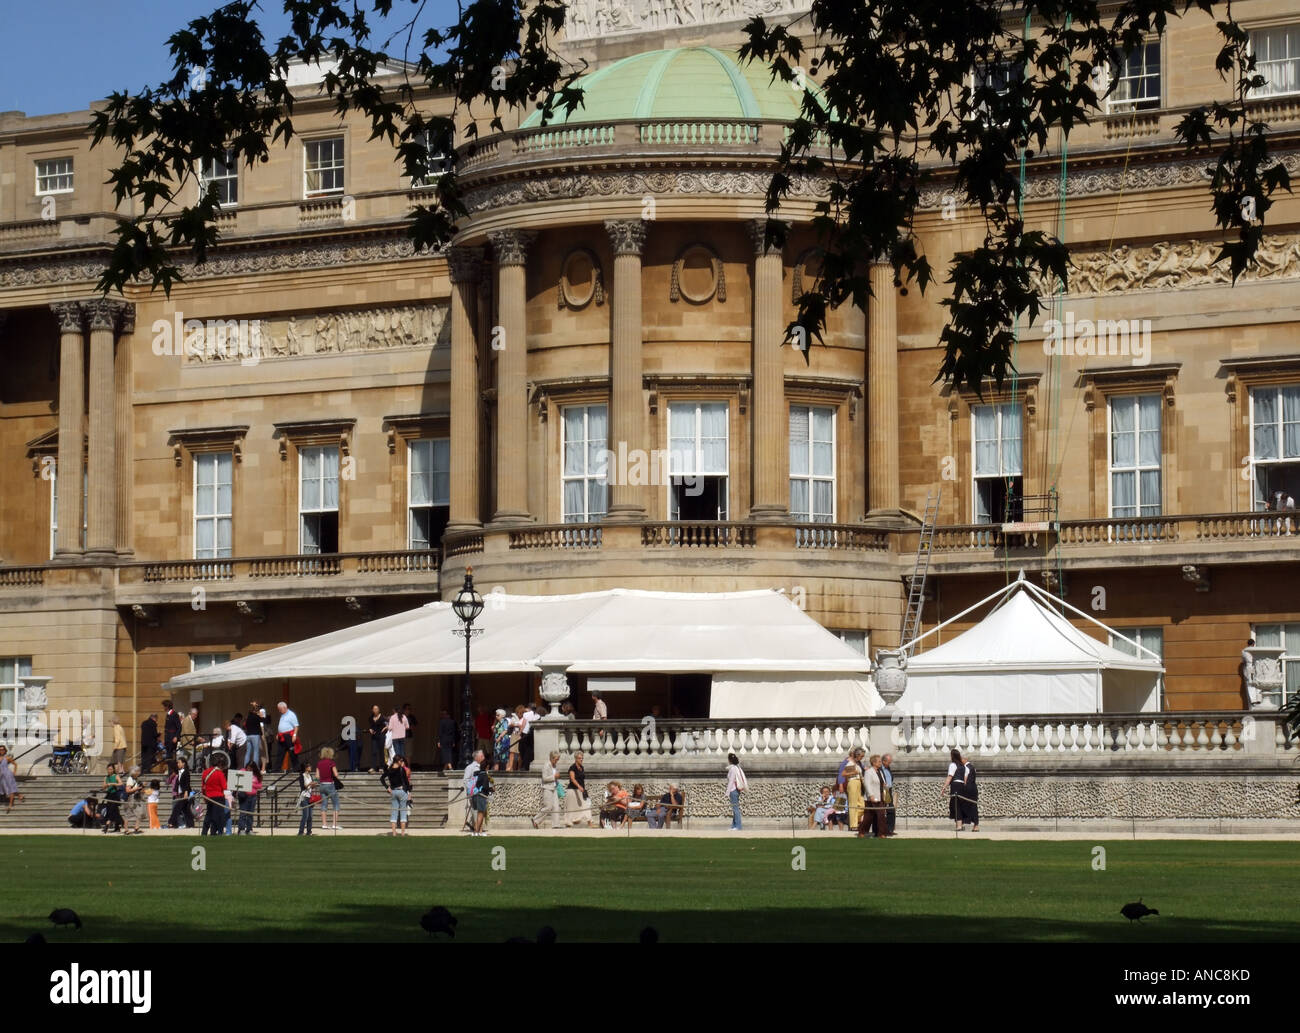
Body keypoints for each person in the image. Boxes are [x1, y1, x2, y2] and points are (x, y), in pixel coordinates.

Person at [943, 748, 979, 832]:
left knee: (960, 806)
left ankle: (962, 825)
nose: (960, 760)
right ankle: (967, 825)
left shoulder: (963, 766)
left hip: (966, 790)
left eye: (961, 758)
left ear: (965, 759)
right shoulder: (969, 767)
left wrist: (944, 787)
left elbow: (961, 779)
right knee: (968, 807)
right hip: (969, 789)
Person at [380, 755, 411, 835]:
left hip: (393, 791)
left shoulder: (390, 769)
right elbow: (406, 782)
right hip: (401, 791)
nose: (402, 762)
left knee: (394, 812)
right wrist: (409, 792)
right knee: (403, 812)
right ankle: (403, 833)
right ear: (398, 761)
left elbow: (381, 778)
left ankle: (394, 833)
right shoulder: (401, 769)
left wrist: (387, 787)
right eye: (401, 760)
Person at [532, 749, 563, 829]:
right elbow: (544, 778)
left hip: (554, 787)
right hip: (547, 788)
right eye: (556, 759)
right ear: (552, 758)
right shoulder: (546, 765)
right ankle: (536, 820)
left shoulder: (555, 766)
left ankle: (556, 824)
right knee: (548, 807)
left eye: (557, 759)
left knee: (556, 806)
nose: (557, 761)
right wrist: (554, 777)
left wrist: (557, 778)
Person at [200, 754, 229, 836]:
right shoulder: (219, 773)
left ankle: (204, 832)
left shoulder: (205, 772)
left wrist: (204, 796)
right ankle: (214, 832)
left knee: (208, 815)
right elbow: (224, 787)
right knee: (217, 816)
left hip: (209, 796)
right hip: (218, 797)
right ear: (219, 764)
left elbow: (203, 786)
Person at [860, 754, 888, 838]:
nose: (880, 763)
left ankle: (881, 833)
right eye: (879, 761)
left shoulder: (880, 772)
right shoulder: (869, 772)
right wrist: (871, 795)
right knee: (869, 817)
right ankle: (863, 832)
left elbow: (881, 782)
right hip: (871, 798)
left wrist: (884, 786)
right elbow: (867, 784)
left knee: (880, 815)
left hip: (880, 796)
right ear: (873, 762)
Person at [566, 751, 595, 827]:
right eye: (579, 758)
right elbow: (572, 779)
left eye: (582, 758)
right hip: (573, 790)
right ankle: (569, 823)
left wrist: (581, 788)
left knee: (587, 805)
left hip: (582, 790)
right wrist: (579, 786)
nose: (581, 760)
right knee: (571, 808)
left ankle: (590, 822)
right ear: (575, 759)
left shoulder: (582, 767)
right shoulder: (572, 767)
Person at [316, 747, 342, 831]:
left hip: (322, 785)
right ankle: (334, 824)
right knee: (336, 804)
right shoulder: (331, 762)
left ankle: (324, 824)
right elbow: (336, 774)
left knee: (324, 804)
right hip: (330, 784)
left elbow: (317, 776)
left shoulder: (319, 763)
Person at [464, 749, 488, 835]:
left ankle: (480, 830)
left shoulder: (483, 767)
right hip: (474, 793)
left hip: (482, 793)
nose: (484, 757)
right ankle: (477, 830)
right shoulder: (470, 767)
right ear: (476, 757)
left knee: (482, 811)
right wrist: (471, 791)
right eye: (482, 756)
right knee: (476, 812)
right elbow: (466, 780)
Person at [274, 701, 301, 772]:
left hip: (289, 736)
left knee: (292, 752)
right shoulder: (282, 715)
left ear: (284, 707)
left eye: (280, 709)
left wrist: (294, 735)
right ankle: (276, 768)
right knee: (280, 752)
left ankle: (296, 768)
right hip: (282, 736)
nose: (279, 710)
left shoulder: (291, 714)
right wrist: (278, 733)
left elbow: (296, 726)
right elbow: (282, 726)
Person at [843, 748, 866, 829]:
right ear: (857, 755)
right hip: (852, 782)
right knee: (853, 804)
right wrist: (853, 772)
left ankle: (853, 819)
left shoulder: (857, 764)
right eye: (862, 756)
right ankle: (853, 825)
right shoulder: (851, 763)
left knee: (862, 805)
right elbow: (844, 773)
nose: (862, 757)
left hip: (858, 783)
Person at [168, 755, 194, 828]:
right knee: (186, 810)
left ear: (183, 763)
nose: (178, 764)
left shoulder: (186, 772)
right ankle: (190, 824)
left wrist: (186, 792)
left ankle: (171, 823)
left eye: (179, 763)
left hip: (185, 793)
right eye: (177, 763)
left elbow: (187, 783)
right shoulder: (179, 772)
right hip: (180, 793)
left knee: (177, 808)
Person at [237, 764, 262, 834]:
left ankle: (249, 829)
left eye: (250, 769)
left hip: (253, 796)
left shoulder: (256, 775)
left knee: (250, 814)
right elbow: (238, 775)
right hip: (244, 796)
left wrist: (251, 784)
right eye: (248, 768)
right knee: (243, 813)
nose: (249, 770)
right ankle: (241, 829)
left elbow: (259, 786)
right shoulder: (243, 771)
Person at [725, 752, 747, 831]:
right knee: (735, 808)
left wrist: (727, 792)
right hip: (735, 790)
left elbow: (731, 781)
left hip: (733, 790)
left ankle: (738, 826)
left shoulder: (733, 769)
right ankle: (734, 825)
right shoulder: (736, 768)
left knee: (735, 808)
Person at [101, 763, 124, 833]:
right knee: (115, 811)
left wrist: (112, 784)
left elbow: (121, 783)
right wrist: (106, 785)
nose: (109, 770)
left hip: (115, 795)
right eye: (108, 769)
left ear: (113, 770)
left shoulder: (116, 776)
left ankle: (107, 825)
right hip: (109, 795)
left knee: (112, 810)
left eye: (110, 769)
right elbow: (103, 787)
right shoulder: (106, 777)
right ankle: (118, 825)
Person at [122, 765, 145, 834]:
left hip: (137, 797)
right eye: (137, 771)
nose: (139, 772)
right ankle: (126, 829)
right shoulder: (130, 779)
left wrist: (142, 787)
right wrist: (137, 788)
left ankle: (136, 827)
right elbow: (128, 790)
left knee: (140, 812)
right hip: (131, 798)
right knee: (128, 813)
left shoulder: (137, 779)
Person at [0, 744, 23, 813]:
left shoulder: (7, 758)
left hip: (8, 775)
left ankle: (10, 805)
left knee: (10, 790)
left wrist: (14, 772)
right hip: (1, 776)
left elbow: (15, 764)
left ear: (5, 750)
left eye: (3, 750)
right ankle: (19, 795)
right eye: (0, 750)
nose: (1, 751)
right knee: (5, 789)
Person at [297, 763, 318, 835]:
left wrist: (313, 785)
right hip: (304, 797)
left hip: (310, 797)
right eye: (309, 766)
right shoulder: (302, 776)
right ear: (306, 768)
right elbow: (303, 787)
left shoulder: (310, 776)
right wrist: (310, 784)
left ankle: (309, 832)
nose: (310, 767)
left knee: (310, 816)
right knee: (305, 815)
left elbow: (311, 787)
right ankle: (300, 832)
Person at [162, 699, 182, 770]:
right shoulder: (168, 715)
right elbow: (166, 729)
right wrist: (165, 739)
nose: (163, 708)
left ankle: (171, 770)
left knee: (170, 755)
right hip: (168, 738)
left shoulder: (174, 714)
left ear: (167, 706)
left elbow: (179, 727)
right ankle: (169, 770)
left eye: (164, 706)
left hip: (172, 737)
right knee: (168, 754)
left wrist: (176, 737)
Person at [881, 754, 897, 836]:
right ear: (883, 761)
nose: (889, 763)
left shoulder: (888, 768)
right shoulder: (879, 769)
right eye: (888, 762)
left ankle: (890, 829)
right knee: (882, 811)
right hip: (882, 791)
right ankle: (883, 830)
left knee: (891, 810)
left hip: (888, 790)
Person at [243, 703, 263, 767]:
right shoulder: (257, 717)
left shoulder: (248, 717)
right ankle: (255, 767)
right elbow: (263, 721)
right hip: (255, 735)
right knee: (256, 752)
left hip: (248, 735)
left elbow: (245, 726)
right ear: (257, 711)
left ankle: (245, 766)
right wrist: (261, 715)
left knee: (248, 752)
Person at [367, 704, 385, 772]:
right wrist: (370, 729)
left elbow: (388, 724)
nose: (375, 710)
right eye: (374, 709)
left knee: (381, 751)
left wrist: (385, 728)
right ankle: (373, 767)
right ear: (372, 710)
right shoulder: (370, 718)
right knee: (374, 751)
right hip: (374, 736)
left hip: (381, 736)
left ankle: (381, 767)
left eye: (377, 709)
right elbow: (371, 726)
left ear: (379, 710)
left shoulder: (383, 717)